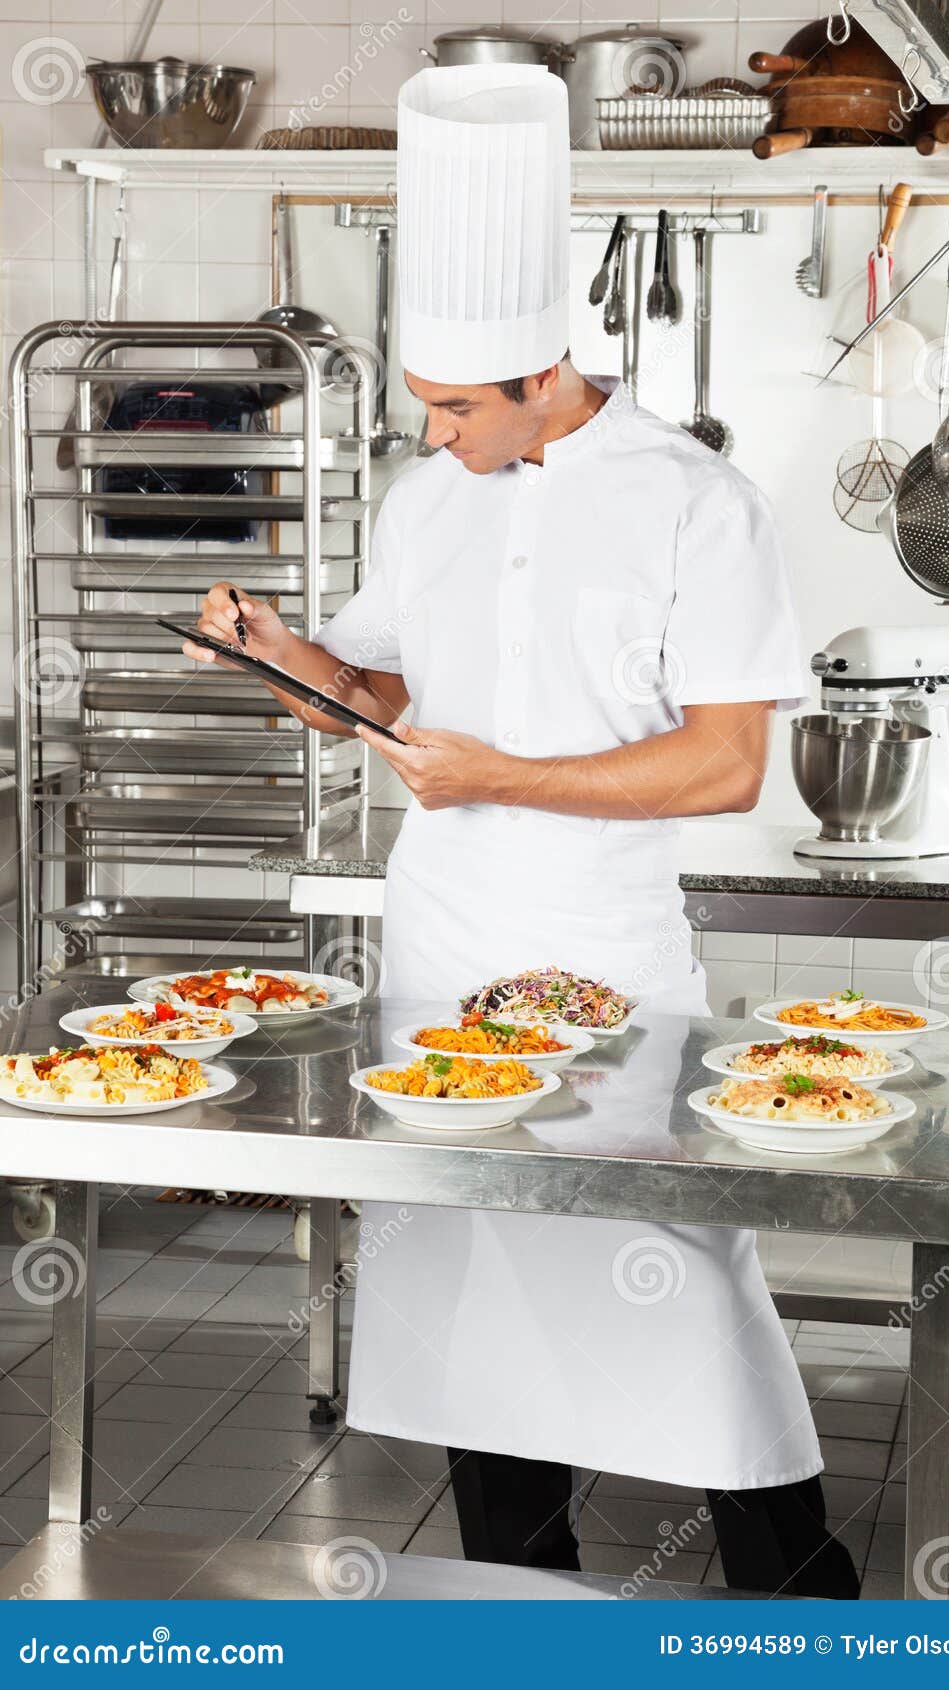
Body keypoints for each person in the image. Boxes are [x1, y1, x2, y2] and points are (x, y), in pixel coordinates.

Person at [188, 65, 859, 1599]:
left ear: (549, 372)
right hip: (447, 945)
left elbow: (723, 767)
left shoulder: (697, 502)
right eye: (425, 398)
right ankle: (523, 1601)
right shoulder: (433, 498)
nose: (432, 427)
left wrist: (502, 774)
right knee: (474, 1281)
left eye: (456, 404)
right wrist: (284, 656)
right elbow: (379, 693)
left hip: (601, 961)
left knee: (687, 1288)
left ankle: (800, 1593)